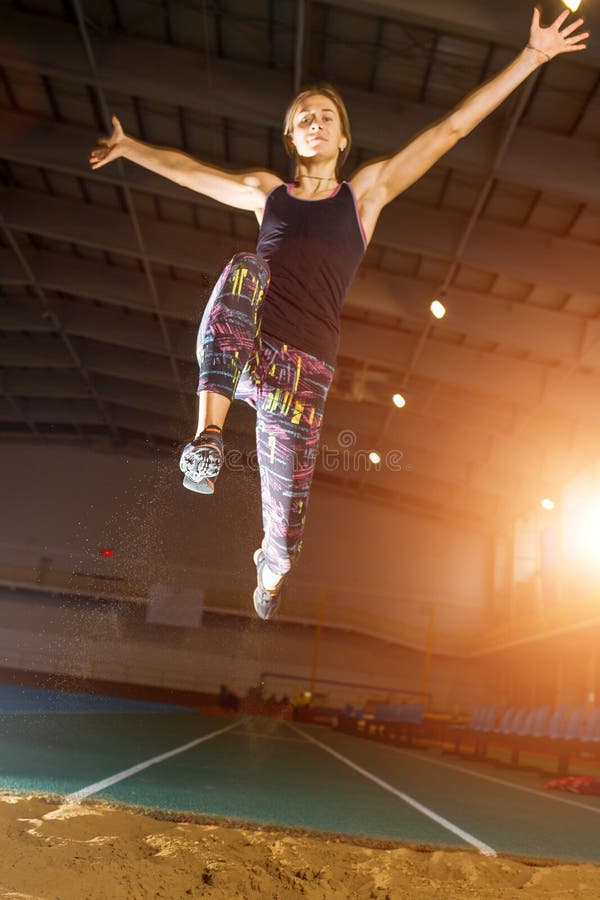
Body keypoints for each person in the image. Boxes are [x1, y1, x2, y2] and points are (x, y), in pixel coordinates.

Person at [90, 9, 588, 620]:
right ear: (291, 138)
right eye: (304, 117)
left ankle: (269, 566)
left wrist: (531, 58)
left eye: (326, 117)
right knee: (246, 267)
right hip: (250, 351)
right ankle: (209, 438)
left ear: (342, 139)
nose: (315, 123)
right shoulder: (266, 194)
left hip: (305, 379)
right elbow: (192, 173)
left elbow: (451, 130)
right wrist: (130, 148)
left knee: (286, 529)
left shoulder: (365, 195)